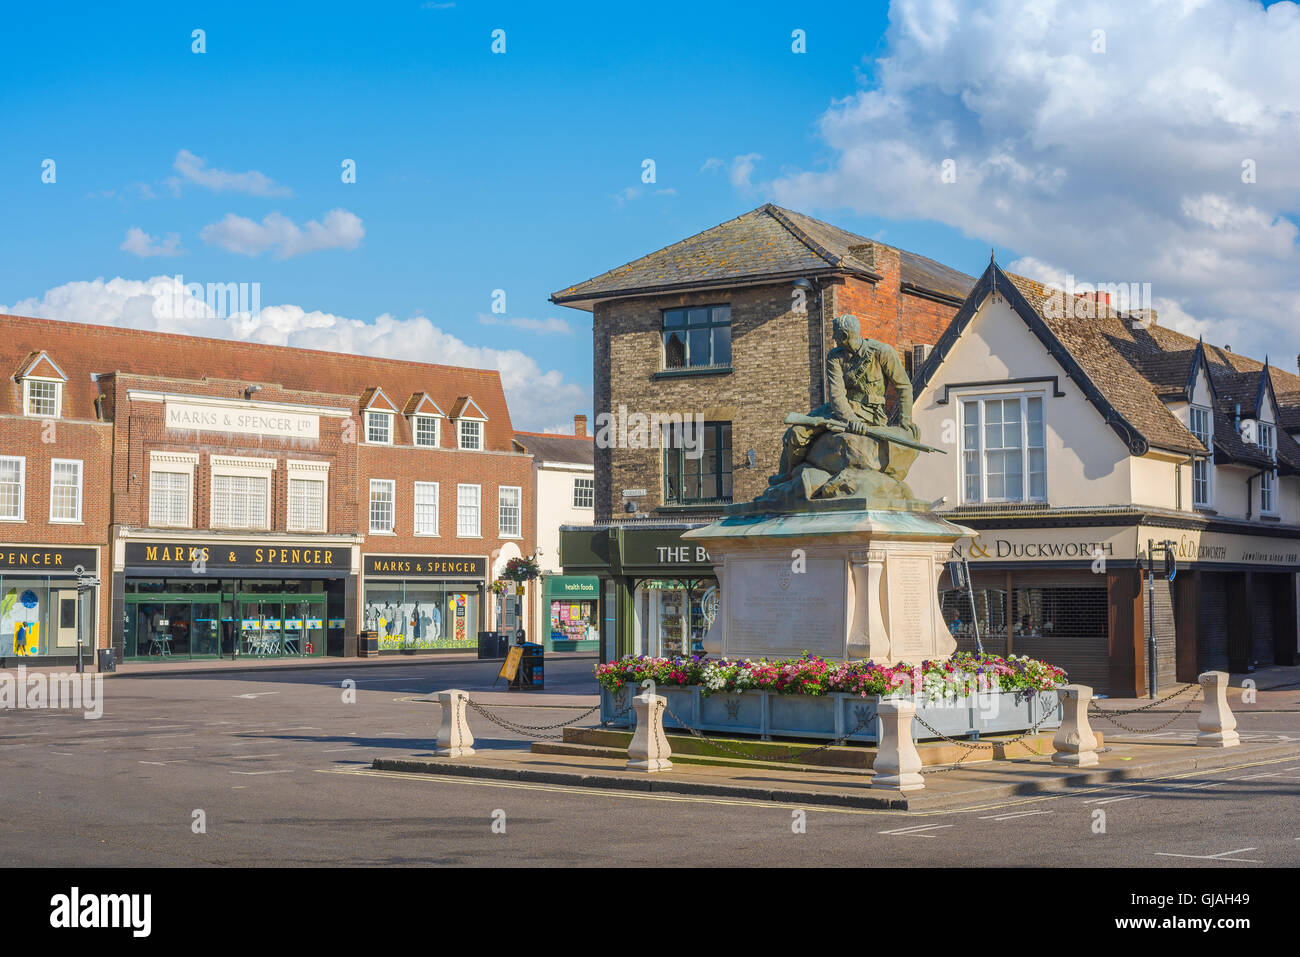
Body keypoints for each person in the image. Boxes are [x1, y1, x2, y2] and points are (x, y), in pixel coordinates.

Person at [769, 313, 917, 485]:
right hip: (840, 412)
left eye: (835, 334)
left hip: (870, 413)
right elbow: (836, 395)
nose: (833, 338)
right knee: (795, 433)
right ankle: (788, 475)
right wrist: (852, 420)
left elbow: (904, 387)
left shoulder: (882, 352)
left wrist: (905, 421)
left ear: (844, 336)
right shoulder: (835, 357)